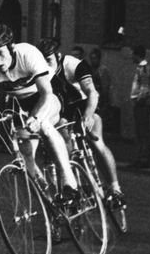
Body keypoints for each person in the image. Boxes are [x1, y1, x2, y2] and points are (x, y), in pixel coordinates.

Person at [0, 25, 80, 208]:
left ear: (11, 47)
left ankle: (70, 184)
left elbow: (46, 94)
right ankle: (49, 202)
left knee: (43, 125)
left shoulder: (28, 53)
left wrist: (37, 118)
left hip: (49, 94)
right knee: (24, 155)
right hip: (21, 103)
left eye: (0, 53)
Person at [39, 38, 126, 209]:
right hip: (63, 110)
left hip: (84, 104)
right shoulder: (40, 72)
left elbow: (92, 93)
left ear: (57, 55)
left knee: (96, 142)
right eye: (43, 61)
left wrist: (88, 115)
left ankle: (115, 189)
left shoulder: (74, 65)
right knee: (63, 143)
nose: (47, 66)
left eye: (49, 61)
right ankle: (76, 183)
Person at [128, 45, 150, 168]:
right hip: (142, 103)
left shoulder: (144, 69)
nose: (130, 56)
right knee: (141, 131)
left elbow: (144, 89)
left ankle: (144, 159)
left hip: (142, 104)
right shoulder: (142, 68)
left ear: (137, 54)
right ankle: (140, 158)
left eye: (132, 53)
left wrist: (138, 100)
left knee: (142, 131)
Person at [87, 47, 113, 122]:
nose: (93, 61)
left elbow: (105, 86)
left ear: (99, 59)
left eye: (95, 58)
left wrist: (106, 102)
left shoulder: (102, 70)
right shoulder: (89, 69)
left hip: (101, 98)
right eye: (91, 58)